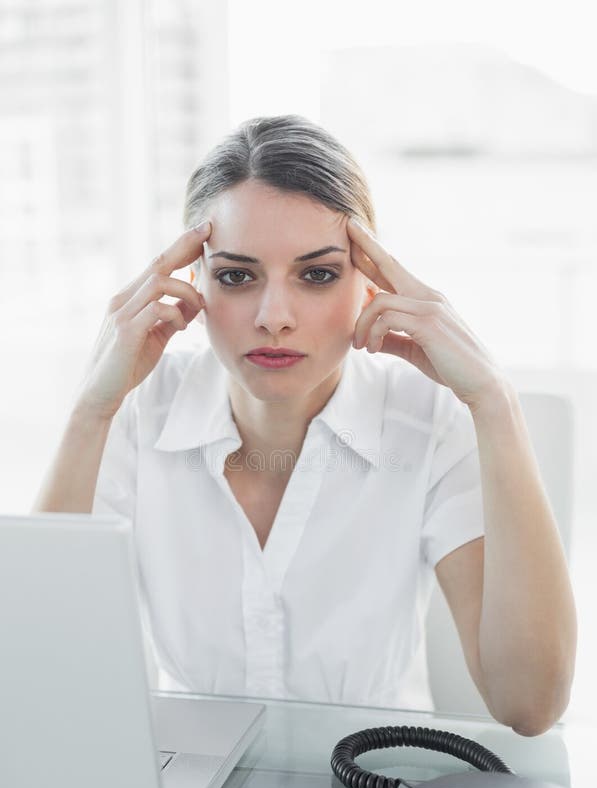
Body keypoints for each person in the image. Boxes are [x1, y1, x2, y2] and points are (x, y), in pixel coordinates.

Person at [33, 114, 576, 734]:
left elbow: (529, 705)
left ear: (369, 284)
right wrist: (89, 411)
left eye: (317, 274)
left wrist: (494, 403)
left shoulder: (426, 420)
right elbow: (39, 668)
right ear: (194, 283)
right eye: (237, 275)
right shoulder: (137, 413)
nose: (275, 317)